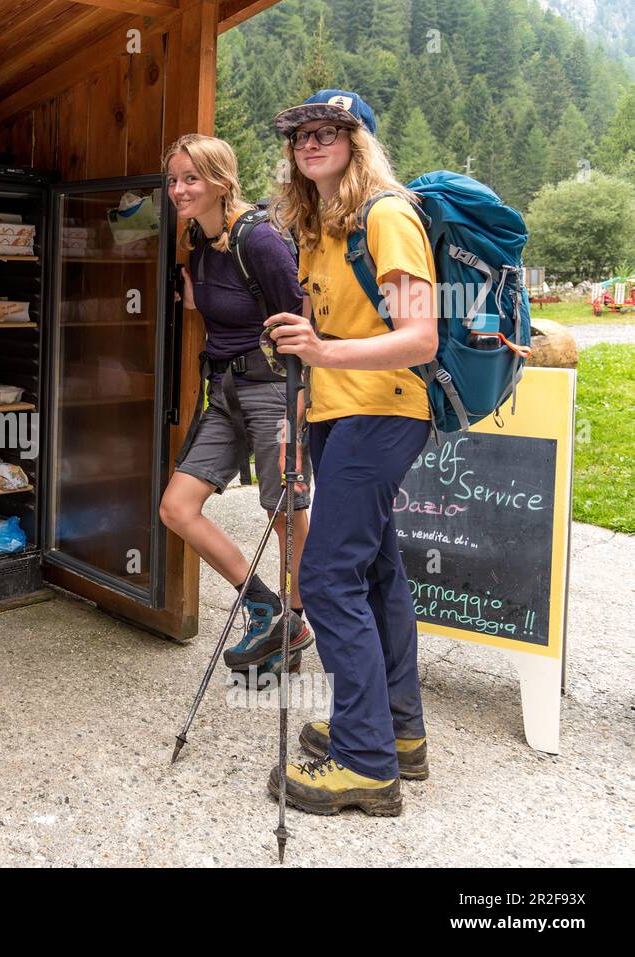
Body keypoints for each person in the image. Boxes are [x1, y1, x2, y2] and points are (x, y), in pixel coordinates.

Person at [265, 90, 438, 815]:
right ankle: (396, 732)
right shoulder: (319, 224)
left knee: (329, 576)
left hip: (385, 409)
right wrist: (297, 420)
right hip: (339, 414)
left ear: (357, 141)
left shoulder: (386, 214)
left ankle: (365, 762)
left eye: (329, 131)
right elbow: (318, 347)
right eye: (302, 134)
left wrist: (325, 349)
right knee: (373, 573)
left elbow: (421, 336)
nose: (312, 142)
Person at [158, 134, 312, 676]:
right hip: (223, 391)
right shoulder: (199, 244)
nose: (179, 189)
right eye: (174, 179)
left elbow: (300, 317)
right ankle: (262, 604)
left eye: (191, 178)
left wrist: (297, 407)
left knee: (283, 509)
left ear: (222, 181)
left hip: (273, 389)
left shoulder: (261, 238)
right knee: (176, 508)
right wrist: (198, 297)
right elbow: (227, 306)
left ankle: (294, 617)